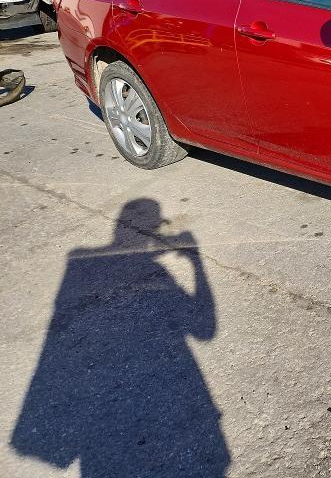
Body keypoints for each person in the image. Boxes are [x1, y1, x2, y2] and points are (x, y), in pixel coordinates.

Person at [11, 199, 230, 477]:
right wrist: (196, 260)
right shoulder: (92, 262)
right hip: (167, 397)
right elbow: (204, 330)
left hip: (102, 409)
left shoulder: (79, 260)